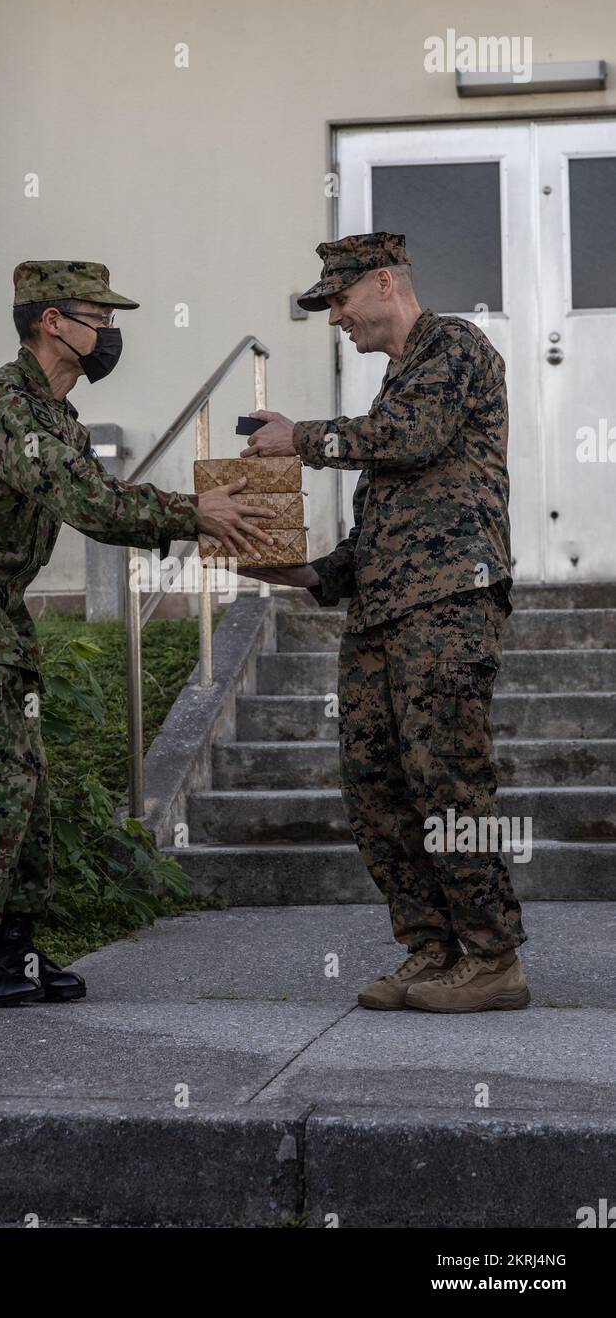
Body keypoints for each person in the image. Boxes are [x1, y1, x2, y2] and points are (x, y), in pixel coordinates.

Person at [0, 259, 275, 1007]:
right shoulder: (5, 407)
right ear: (52, 322)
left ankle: (12, 949)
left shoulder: (52, 414)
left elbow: (86, 494)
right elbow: (87, 501)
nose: (113, 332)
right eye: (101, 316)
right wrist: (193, 513)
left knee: (28, 791)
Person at [238, 232, 529, 1014]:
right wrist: (299, 572)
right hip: (382, 610)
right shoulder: (396, 382)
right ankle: (432, 950)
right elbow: (379, 532)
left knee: (448, 778)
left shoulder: (454, 348)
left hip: (448, 604)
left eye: (338, 299)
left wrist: (299, 438)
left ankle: (493, 955)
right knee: (376, 785)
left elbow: (413, 440)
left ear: (383, 282)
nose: (335, 317)